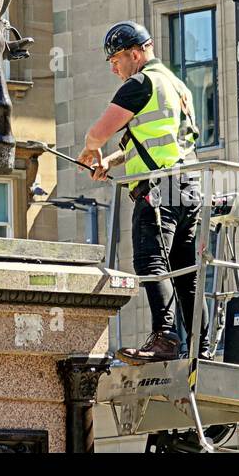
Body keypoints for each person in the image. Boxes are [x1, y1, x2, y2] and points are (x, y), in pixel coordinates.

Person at [78, 20, 207, 362]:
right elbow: (161, 141)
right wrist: (114, 162)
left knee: (151, 260)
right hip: (187, 186)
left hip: (158, 189)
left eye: (116, 59)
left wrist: (92, 149)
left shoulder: (140, 83)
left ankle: (164, 338)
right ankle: (202, 347)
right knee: (185, 270)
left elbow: (99, 131)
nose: (113, 68)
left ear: (136, 53)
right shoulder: (176, 85)